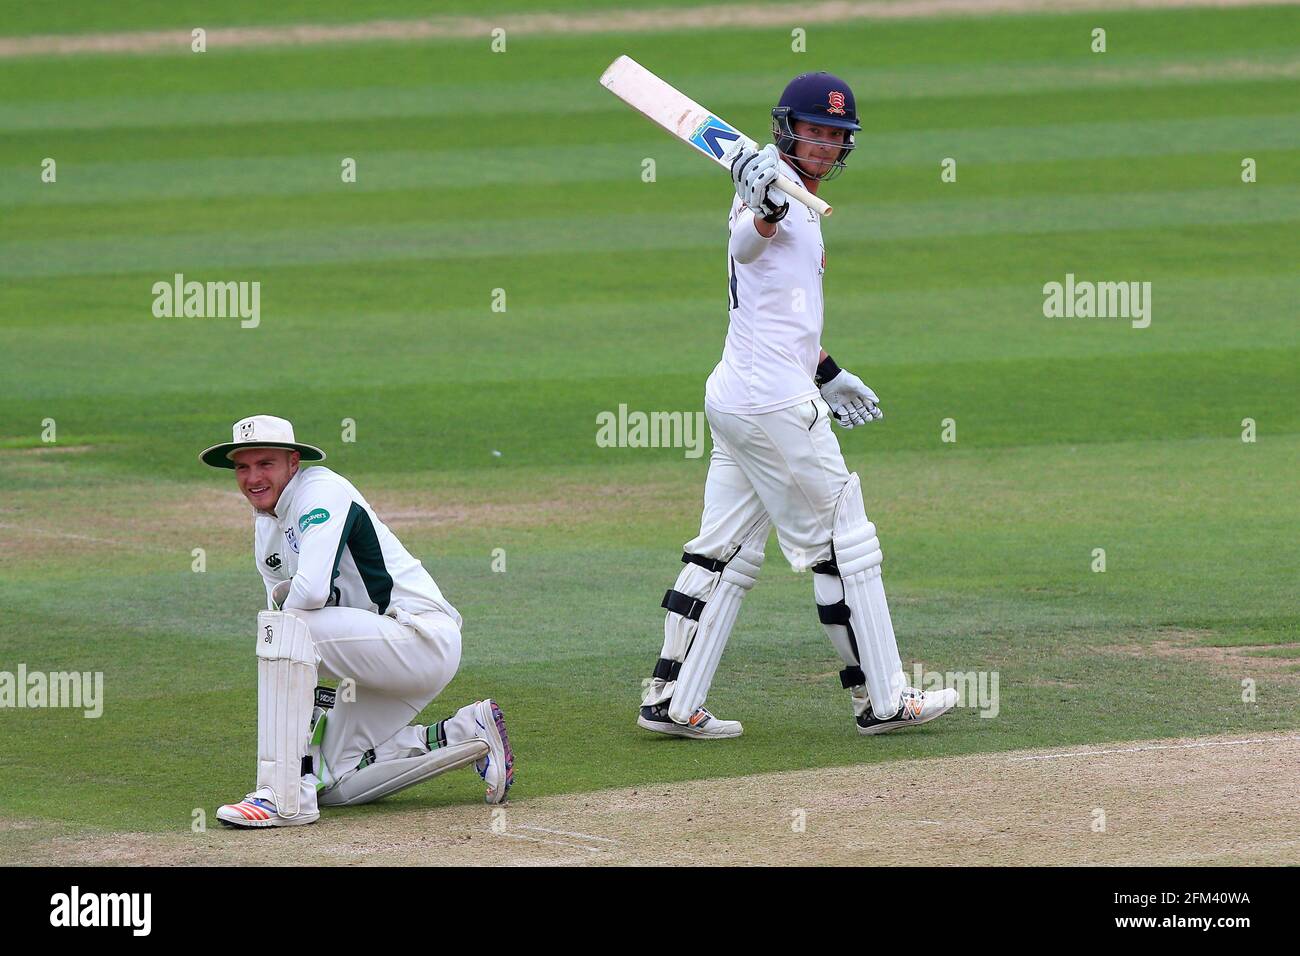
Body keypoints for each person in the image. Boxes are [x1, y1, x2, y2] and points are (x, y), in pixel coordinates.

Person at [638, 73, 958, 739]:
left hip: (737, 397)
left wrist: (829, 371)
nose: (829, 144)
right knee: (844, 544)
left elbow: (780, 314)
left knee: (722, 552)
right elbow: (745, 243)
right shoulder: (766, 195)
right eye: (818, 130)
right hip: (775, 409)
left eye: (840, 135)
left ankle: (671, 700)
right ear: (789, 128)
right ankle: (884, 699)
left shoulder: (793, 196)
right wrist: (767, 211)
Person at [199, 414, 513, 827]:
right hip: (375, 657)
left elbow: (307, 597)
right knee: (332, 780)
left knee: (286, 629)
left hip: (419, 638)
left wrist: (285, 611)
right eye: (243, 467)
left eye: (265, 464)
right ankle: (463, 733)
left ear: (293, 462)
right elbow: (291, 612)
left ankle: (281, 796)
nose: (253, 477)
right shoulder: (266, 528)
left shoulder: (321, 492)